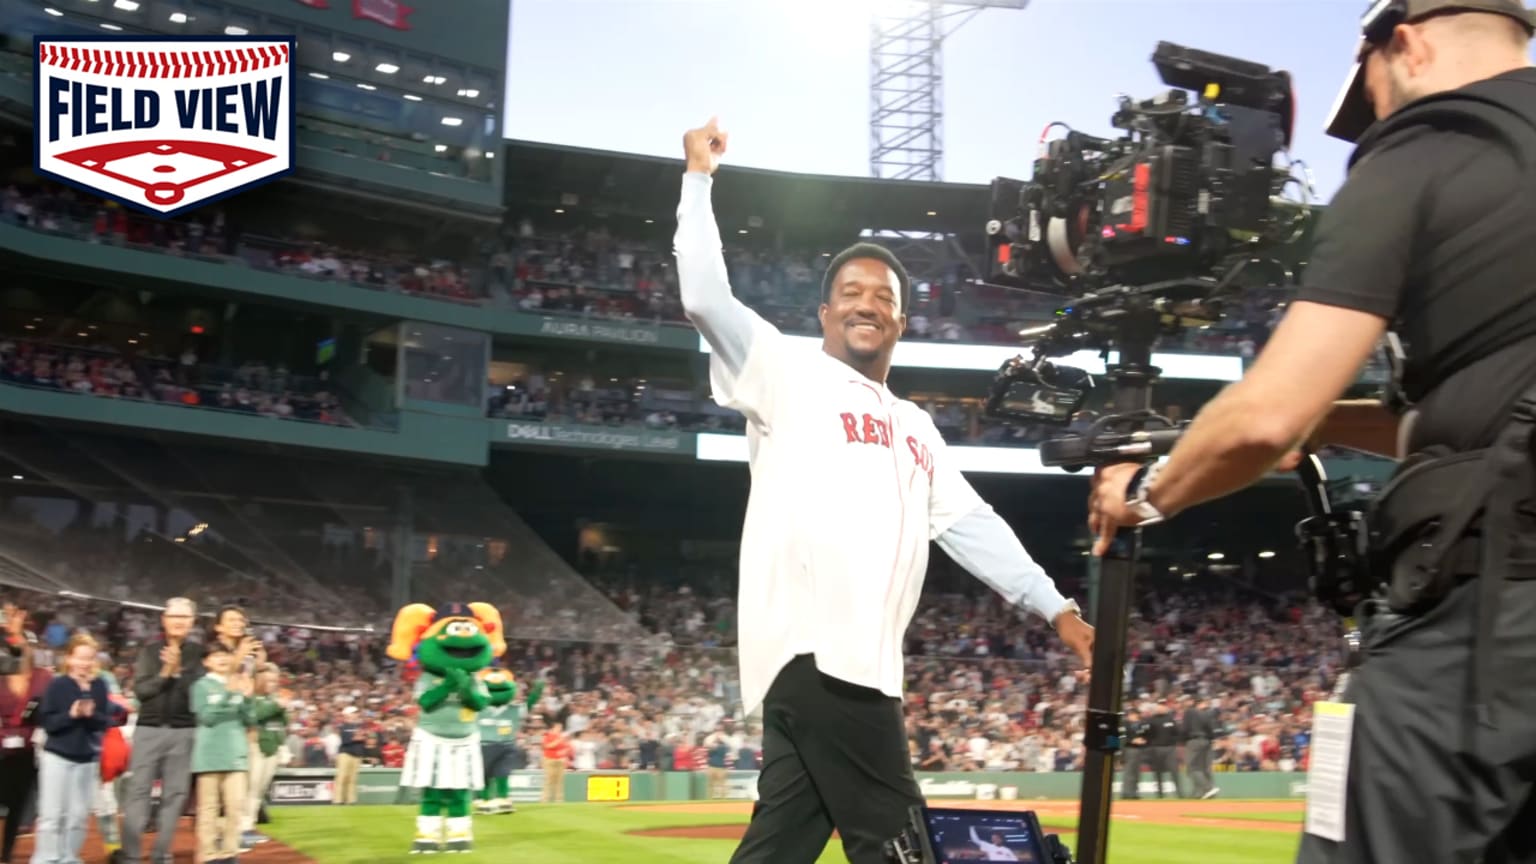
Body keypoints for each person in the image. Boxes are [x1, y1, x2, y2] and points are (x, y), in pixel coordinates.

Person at [1085, 2, 1536, 861]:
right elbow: (1476, 412)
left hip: (1479, 624)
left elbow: (1263, 416)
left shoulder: (1430, 144)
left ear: (1403, 42)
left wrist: (1142, 495)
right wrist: (1330, 421)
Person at [675, 117, 1094, 864]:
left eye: (883, 295)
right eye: (850, 291)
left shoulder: (916, 426)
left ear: (902, 319)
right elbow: (705, 296)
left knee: (778, 848)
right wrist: (699, 178)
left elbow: (971, 523)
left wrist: (1056, 608)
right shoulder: (786, 370)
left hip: (857, 668)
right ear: (825, 312)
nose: (866, 302)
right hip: (821, 658)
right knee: (903, 849)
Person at [122, 597, 203, 864]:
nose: (178, 621)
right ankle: (132, 855)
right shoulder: (149, 651)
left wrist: (177, 672)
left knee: (175, 795)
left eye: (184, 617)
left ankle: (162, 854)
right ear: (164, 620)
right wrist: (165, 673)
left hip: (184, 731)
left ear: (191, 622)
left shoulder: (199, 654)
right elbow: (142, 692)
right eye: (174, 616)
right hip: (148, 729)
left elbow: (197, 694)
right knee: (137, 792)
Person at [31, 633, 110, 864]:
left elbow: (104, 722)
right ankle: (46, 859)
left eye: (89, 658)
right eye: (81, 658)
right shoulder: (58, 684)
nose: (85, 664)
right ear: (69, 658)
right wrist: (71, 714)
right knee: (51, 814)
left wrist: (91, 714)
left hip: (86, 758)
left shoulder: (99, 685)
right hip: (57, 756)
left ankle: (68, 857)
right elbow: (47, 723)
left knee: (78, 816)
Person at [191, 645, 250, 864]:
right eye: (216, 655)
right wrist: (230, 693)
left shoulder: (238, 684)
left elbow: (249, 718)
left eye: (225, 655)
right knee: (208, 809)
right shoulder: (201, 686)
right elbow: (206, 717)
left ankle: (230, 853)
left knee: (235, 807)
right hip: (208, 755)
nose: (222, 659)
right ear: (206, 661)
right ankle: (209, 855)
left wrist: (247, 697)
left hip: (235, 753)